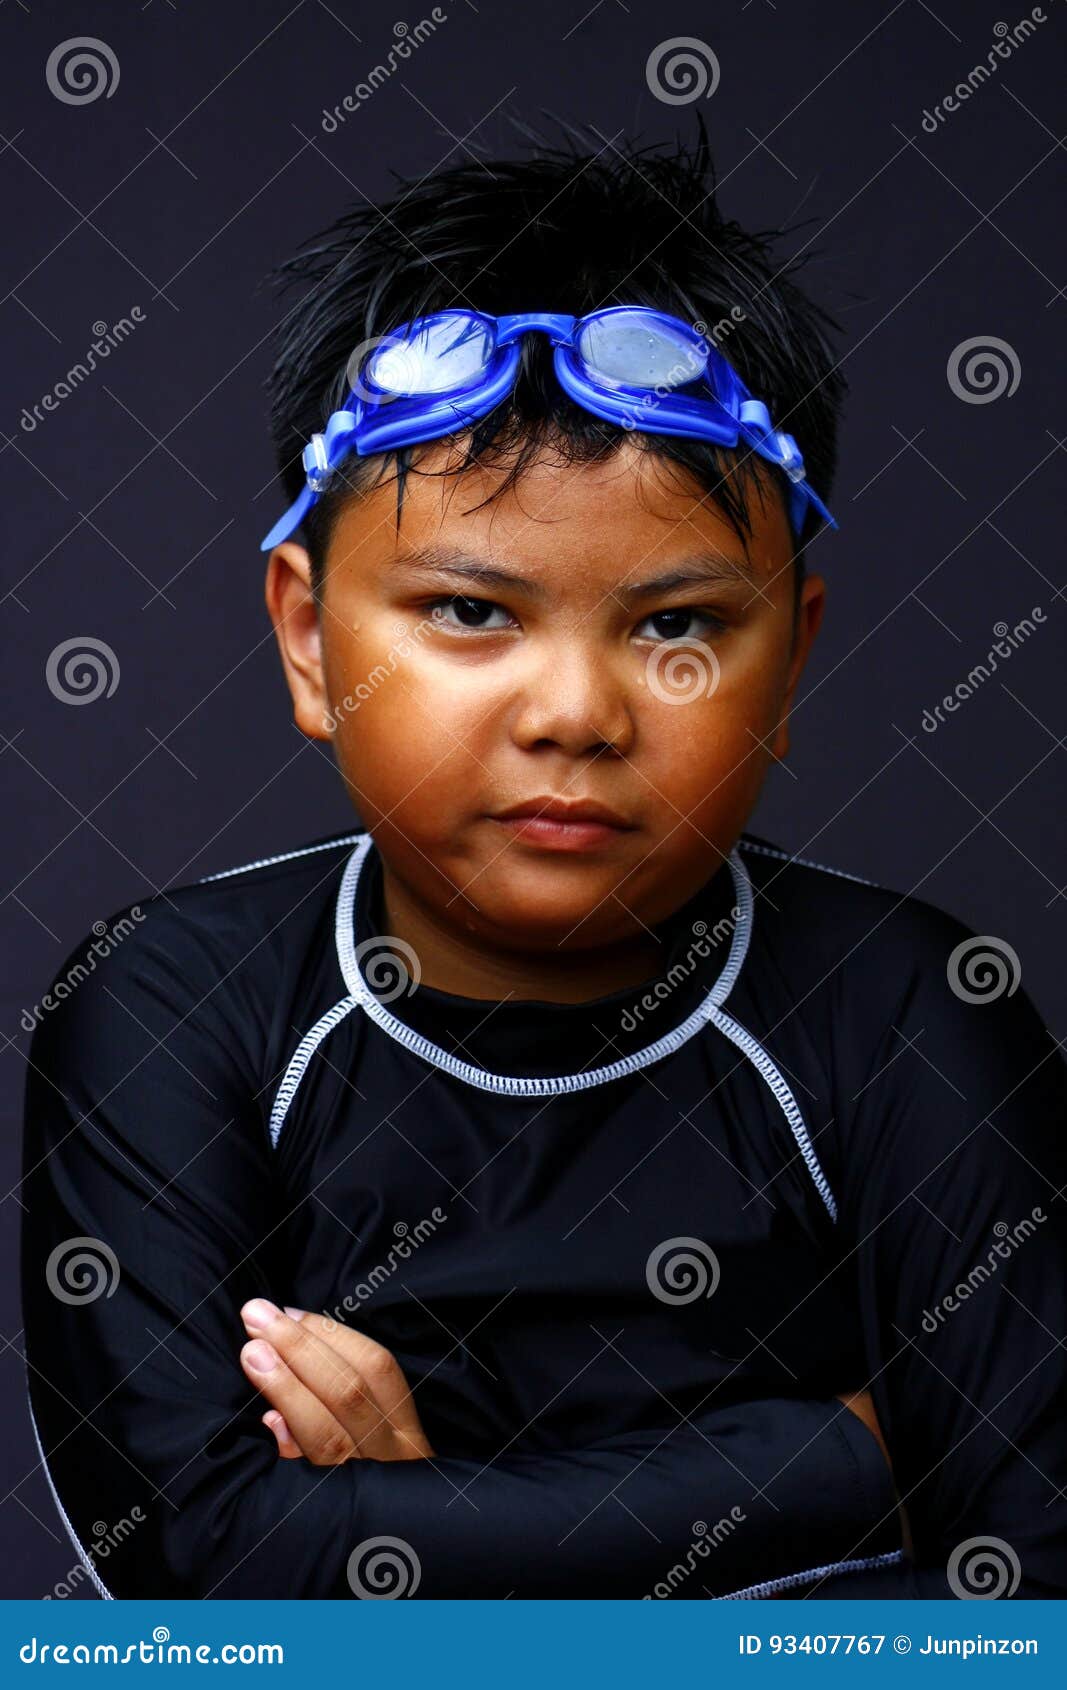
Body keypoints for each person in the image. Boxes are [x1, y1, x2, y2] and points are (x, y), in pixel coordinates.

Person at [20, 122, 1067, 1601]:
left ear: (793, 660)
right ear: (310, 640)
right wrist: (844, 1460)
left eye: (678, 626)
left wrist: (417, 1537)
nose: (576, 713)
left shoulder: (915, 1022)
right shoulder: (173, 1011)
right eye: (468, 611)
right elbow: (204, 1579)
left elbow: (1024, 1616)